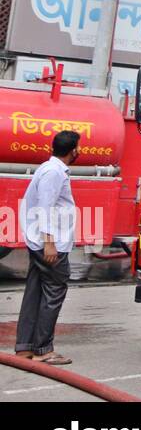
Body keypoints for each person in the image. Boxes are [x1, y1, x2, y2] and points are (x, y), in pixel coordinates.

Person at [15, 130, 80, 365]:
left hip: (40, 242)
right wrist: (49, 243)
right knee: (54, 292)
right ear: (73, 150)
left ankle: (25, 348)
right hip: (50, 245)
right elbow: (45, 208)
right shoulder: (54, 172)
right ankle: (43, 350)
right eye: (78, 147)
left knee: (35, 292)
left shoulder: (48, 168)